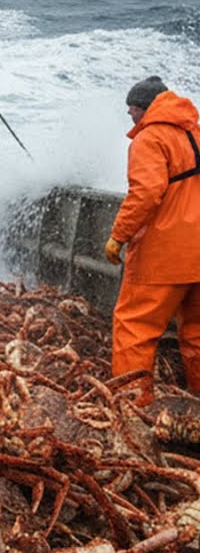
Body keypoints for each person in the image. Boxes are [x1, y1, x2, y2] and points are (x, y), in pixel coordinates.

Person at [104, 76, 200, 391]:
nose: (129, 116)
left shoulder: (149, 138)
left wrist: (119, 235)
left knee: (135, 328)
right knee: (197, 333)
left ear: (143, 107)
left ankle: (132, 410)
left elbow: (146, 193)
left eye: (131, 109)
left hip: (164, 256)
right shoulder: (195, 133)